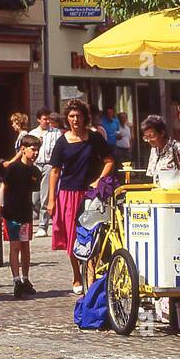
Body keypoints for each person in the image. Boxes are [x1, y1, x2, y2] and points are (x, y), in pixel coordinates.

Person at [45, 99, 115, 295]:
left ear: (85, 118)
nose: (75, 119)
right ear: (67, 119)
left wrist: (99, 180)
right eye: (71, 116)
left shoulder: (94, 139)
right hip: (68, 194)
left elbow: (109, 161)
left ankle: (91, 275)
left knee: (92, 235)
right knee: (73, 238)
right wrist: (51, 200)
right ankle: (77, 274)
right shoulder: (62, 141)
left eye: (78, 116)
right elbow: (55, 172)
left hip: (91, 194)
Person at [0, 134, 42, 297]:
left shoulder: (35, 171)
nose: (35, 153)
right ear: (23, 149)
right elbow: (4, 185)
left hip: (26, 213)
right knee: (14, 246)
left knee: (25, 246)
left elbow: (34, 191)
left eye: (38, 150)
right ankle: (16, 280)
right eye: (33, 149)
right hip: (11, 212)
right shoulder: (13, 168)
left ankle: (26, 278)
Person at [32, 109, 60, 236]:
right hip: (35, 165)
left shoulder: (56, 133)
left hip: (49, 165)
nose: (47, 121)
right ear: (39, 120)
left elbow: (58, 150)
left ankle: (43, 226)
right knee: (34, 197)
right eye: (45, 119)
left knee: (45, 196)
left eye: (49, 119)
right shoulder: (33, 133)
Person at [141, 115, 180, 181]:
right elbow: (151, 174)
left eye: (152, 136)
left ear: (162, 133)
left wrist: (178, 180)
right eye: (146, 137)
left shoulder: (177, 148)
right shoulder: (154, 150)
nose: (149, 140)